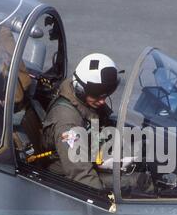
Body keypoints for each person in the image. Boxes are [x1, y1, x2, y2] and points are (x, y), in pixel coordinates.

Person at [41, 53, 120, 190]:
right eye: (97, 95)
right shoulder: (67, 123)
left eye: (106, 94)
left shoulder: (86, 101)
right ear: (80, 89)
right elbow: (82, 177)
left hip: (91, 156)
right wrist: (107, 202)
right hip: (69, 176)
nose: (102, 101)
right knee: (139, 181)